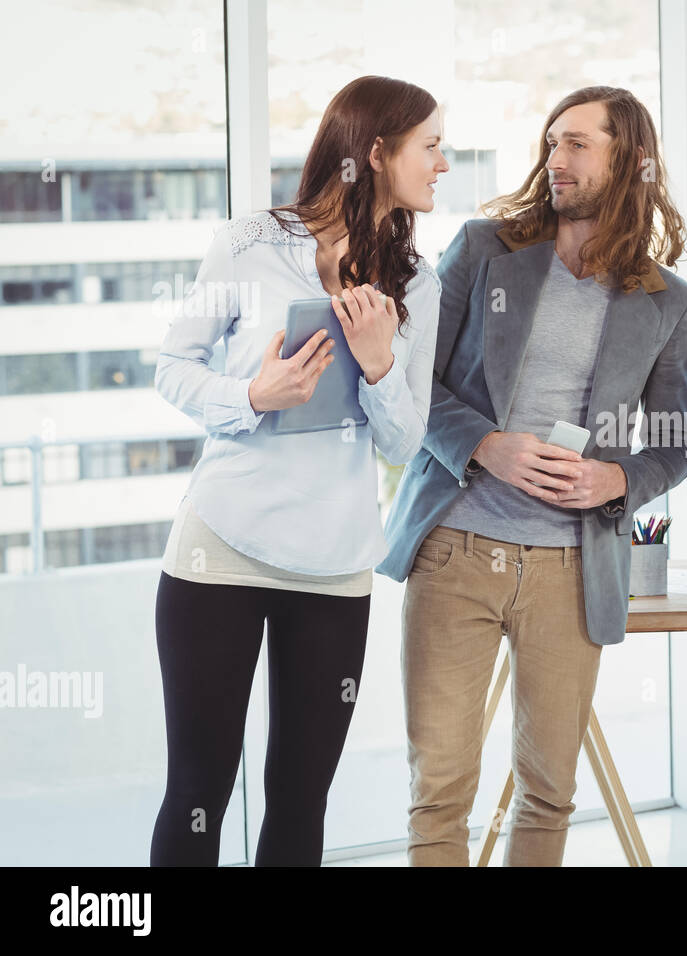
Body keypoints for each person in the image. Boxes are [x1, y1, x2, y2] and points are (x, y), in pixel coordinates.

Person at [377, 86, 687, 867]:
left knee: (549, 790)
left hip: (571, 567)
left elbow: (675, 443)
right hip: (455, 550)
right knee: (440, 788)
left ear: (630, 161)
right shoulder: (486, 249)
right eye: (552, 142)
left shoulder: (666, 299)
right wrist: (487, 445)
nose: (557, 160)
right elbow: (415, 386)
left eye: (579, 144)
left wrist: (615, 482)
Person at [150, 75, 447, 866]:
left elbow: (402, 444)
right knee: (199, 791)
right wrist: (253, 393)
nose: (443, 164)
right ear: (377, 152)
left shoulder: (419, 283)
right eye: (431, 146)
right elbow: (173, 369)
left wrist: (381, 365)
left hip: (334, 566)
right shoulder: (251, 243)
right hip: (223, 548)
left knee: (301, 798)